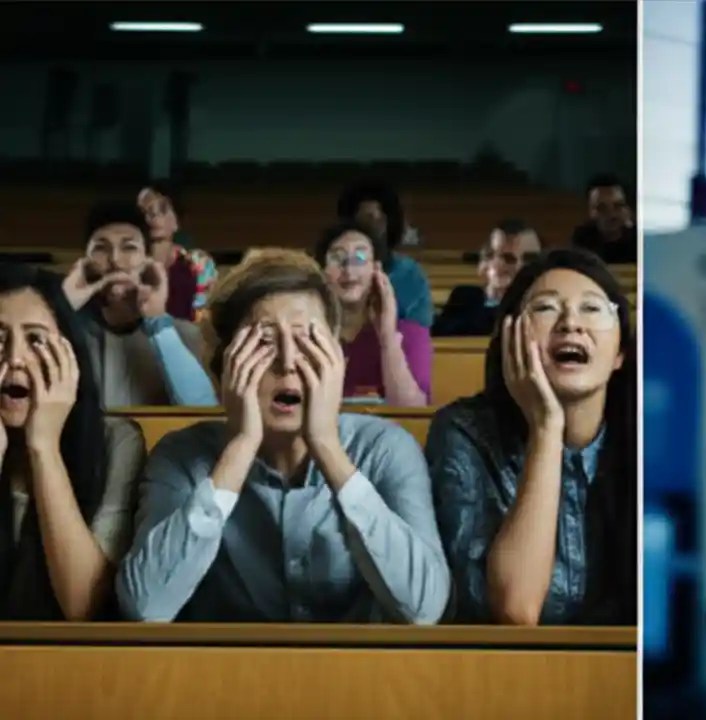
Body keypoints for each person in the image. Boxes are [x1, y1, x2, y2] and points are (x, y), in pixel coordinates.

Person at [115, 249, 451, 623]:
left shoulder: (387, 449)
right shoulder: (181, 457)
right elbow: (147, 607)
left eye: (308, 340)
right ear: (225, 364)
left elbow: (424, 607)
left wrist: (327, 447)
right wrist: (241, 447)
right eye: (264, 342)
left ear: (337, 360)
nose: (289, 361)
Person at [426, 248, 636, 625]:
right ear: (510, 339)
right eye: (545, 308)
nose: (571, 323)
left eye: (592, 308)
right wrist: (546, 428)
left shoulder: (651, 438)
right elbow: (515, 609)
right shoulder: (464, 433)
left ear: (620, 351)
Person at [0, 265, 144, 620]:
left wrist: (44, 447)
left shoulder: (117, 442)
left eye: (36, 340)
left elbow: (82, 606)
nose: (14, 358)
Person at [61, 201, 216, 408]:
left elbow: (203, 410)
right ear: (84, 263)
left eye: (129, 247)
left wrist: (158, 322)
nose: (115, 260)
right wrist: (62, 306)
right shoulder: (68, 333)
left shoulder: (183, 335)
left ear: (148, 261)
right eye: (101, 248)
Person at [314, 221, 433, 406]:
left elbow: (411, 413)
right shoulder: (308, 334)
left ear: (377, 270)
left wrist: (388, 338)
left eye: (360, 257)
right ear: (322, 272)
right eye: (337, 258)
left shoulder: (412, 334)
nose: (349, 269)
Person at [337, 180, 434, 328]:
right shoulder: (333, 272)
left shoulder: (410, 274)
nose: (372, 231)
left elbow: (418, 332)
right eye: (365, 221)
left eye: (379, 221)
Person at [432, 219, 542, 338]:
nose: (520, 267)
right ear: (485, 264)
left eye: (530, 259)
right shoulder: (465, 300)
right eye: (508, 259)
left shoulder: (548, 305)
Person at [137, 181, 218, 322]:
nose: (152, 216)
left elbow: (203, 315)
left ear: (177, 221)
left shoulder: (199, 263)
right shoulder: (130, 263)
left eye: (161, 209)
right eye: (145, 211)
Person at [570, 174, 637, 264]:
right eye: (601, 208)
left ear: (628, 209)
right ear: (590, 211)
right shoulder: (581, 239)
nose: (611, 214)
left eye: (618, 206)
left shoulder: (639, 239)